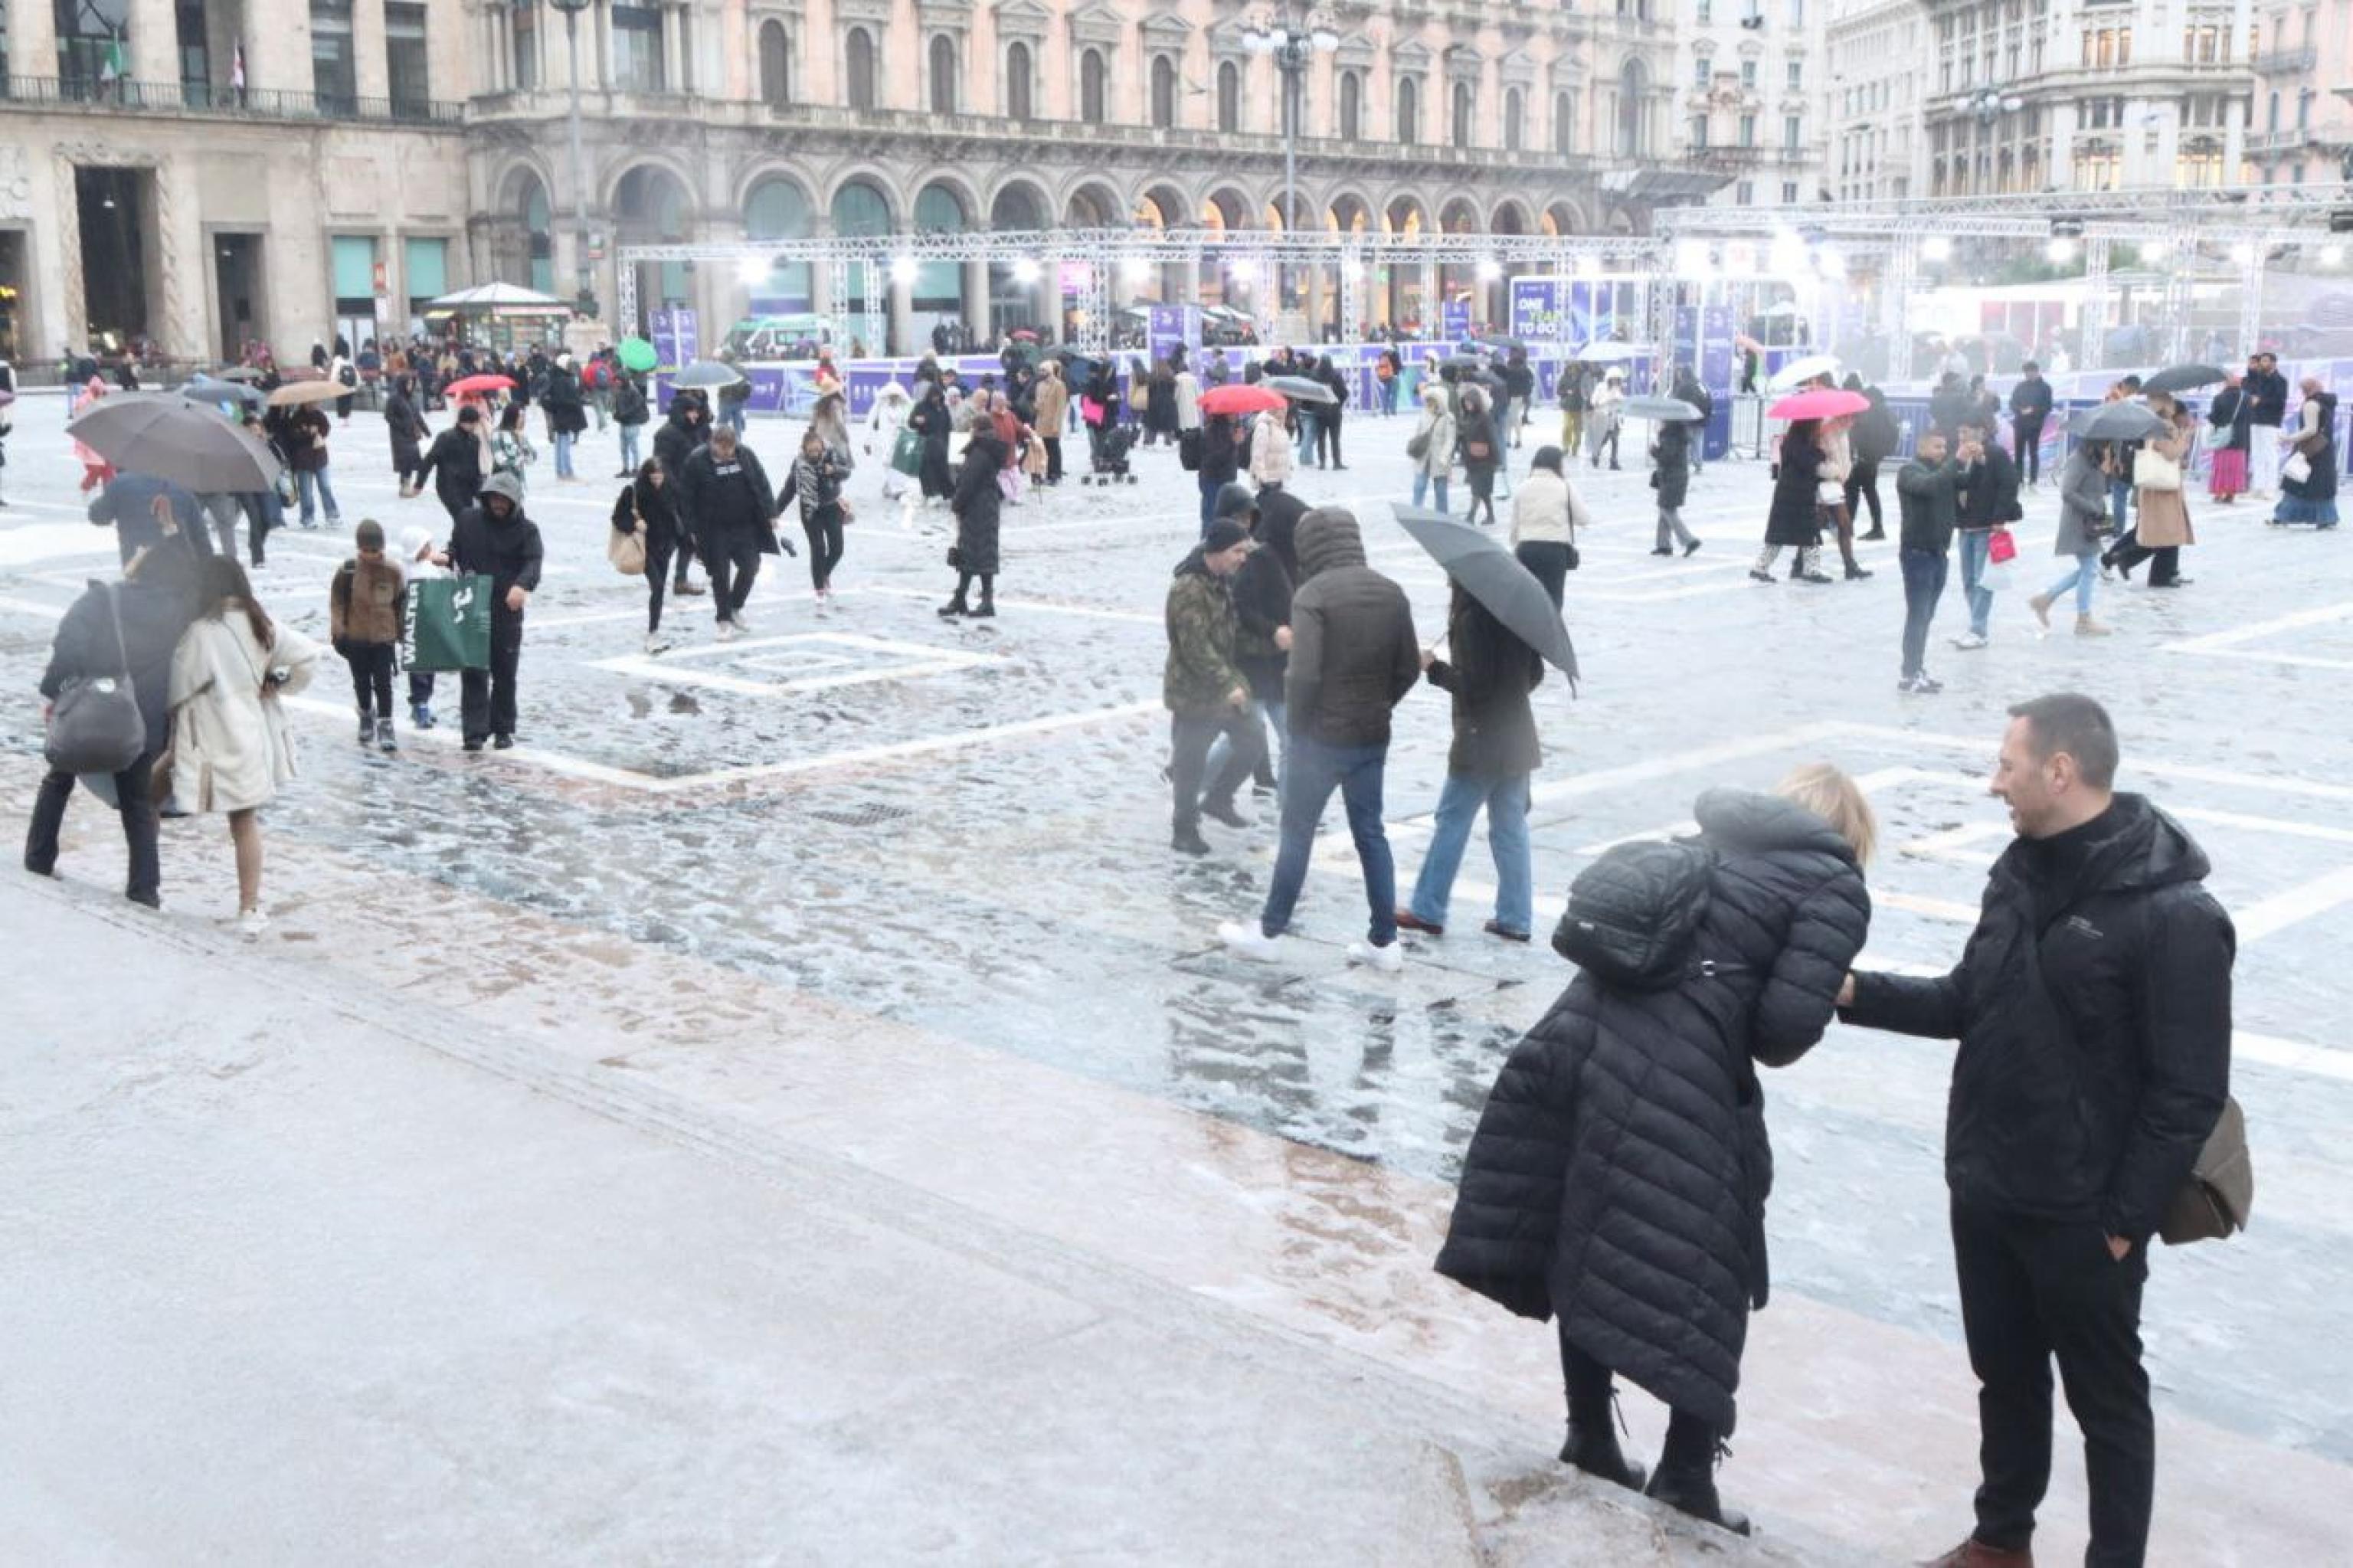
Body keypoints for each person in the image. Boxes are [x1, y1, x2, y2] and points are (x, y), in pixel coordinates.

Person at [1838, 694, 2233, 1568]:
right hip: (1987, 1182)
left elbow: (2190, 1091)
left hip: (2085, 1212)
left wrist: (2123, 1220)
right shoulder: (2015, 870)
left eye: (2007, 765)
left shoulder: (2176, 915)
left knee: (2108, 1404)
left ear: (2061, 770)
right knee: (2005, 1377)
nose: (1995, 784)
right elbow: (1965, 1000)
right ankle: (2000, 1538)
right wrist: (1851, 994)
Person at [1435, 766, 1875, 1534]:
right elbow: (1780, 1031)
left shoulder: (1711, 839)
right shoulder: (1832, 885)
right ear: (1847, 835)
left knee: (1586, 1221)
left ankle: (1592, 1434)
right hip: (1681, 1074)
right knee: (1709, 1260)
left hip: (1576, 1040)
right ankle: (1684, 1473)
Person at [1218, 507, 1420, 972]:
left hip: (1320, 738)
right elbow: (1408, 667)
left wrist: (1301, 728)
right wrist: (1380, 703)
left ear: (1310, 548)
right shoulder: (1391, 593)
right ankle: (1385, 941)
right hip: (1372, 736)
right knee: (1372, 833)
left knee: (1297, 833)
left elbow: (1303, 674)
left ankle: (1270, 931)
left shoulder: (1314, 595)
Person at [165, 555, 320, 933]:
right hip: (250, 733)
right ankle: (249, 908)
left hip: (208, 737)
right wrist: (279, 683)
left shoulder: (200, 631)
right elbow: (309, 655)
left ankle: (145, 881)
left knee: (151, 803)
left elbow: (178, 688)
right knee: (244, 821)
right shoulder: (261, 624)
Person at [24, 559, 188, 908]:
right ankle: (143, 890)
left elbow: (67, 646)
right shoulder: (176, 610)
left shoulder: (101, 600)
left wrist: (54, 691)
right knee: (138, 803)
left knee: (59, 778)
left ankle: (39, 857)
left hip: (89, 708)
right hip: (140, 718)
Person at [1393, 582, 1546, 943]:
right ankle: (1516, 917)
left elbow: (1473, 686)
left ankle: (1428, 908)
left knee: (1452, 820)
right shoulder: (1515, 613)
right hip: (1517, 735)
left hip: (1481, 741)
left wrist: (1433, 668)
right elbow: (1534, 675)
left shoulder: (1471, 619)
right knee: (1510, 828)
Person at [1163, 512, 1263, 855]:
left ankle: (1219, 799)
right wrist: (1226, 684)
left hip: (1222, 686)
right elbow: (1195, 646)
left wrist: (1272, 642)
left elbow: (1230, 634)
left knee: (1253, 741)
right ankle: (1184, 829)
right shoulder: (1188, 588)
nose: (1243, 558)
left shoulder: (1220, 582)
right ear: (1218, 550)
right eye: (1238, 551)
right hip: (1194, 692)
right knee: (1189, 767)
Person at [446, 471, 544, 751]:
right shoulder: (468, 521)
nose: (498, 504)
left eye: (505, 500)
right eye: (494, 498)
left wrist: (522, 585)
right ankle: (474, 731)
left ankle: (503, 727)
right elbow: (456, 550)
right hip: (473, 604)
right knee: (474, 669)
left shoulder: (527, 530)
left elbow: (533, 562)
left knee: (504, 670)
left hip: (506, 608)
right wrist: (446, 558)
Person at [1224, 484, 1301, 796]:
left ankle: (1289, 807)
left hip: (1278, 665)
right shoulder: (1255, 560)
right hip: (1254, 665)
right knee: (1243, 740)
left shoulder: (1280, 559)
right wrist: (1274, 632)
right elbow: (1240, 610)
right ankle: (1188, 778)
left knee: (1290, 740)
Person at [678, 424, 784, 640]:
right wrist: (691, 529)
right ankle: (723, 619)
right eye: (722, 448)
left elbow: (762, 483)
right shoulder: (696, 461)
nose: (727, 453)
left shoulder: (746, 456)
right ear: (712, 443)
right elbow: (686, 498)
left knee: (751, 566)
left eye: (731, 448)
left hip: (745, 525)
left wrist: (771, 513)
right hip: (714, 528)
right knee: (720, 575)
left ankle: (735, 606)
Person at [1894, 427, 1965, 692]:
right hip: (1917, 554)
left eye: (1944, 447)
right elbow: (1929, 487)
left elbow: (1965, 481)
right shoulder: (1910, 472)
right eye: (1937, 447)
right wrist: (1955, 462)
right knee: (1918, 615)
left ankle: (1918, 668)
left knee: (1926, 616)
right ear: (1922, 448)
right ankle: (1908, 674)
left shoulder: (1942, 472)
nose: (1942, 452)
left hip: (1938, 553)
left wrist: (1978, 461)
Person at [329, 519, 407, 752]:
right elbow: (338, 602)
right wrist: (339, 631)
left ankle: (385, 724)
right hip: (357, 636)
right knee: (361, 682)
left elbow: (401, 604)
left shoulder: (393, 571)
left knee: (384, 683)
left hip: (383, 637)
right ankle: (365, 714)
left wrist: (401, 634)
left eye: (375, 550)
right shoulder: (348, 570)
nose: (371, 555)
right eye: (366, 550)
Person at [2029, 440, 2116, 638]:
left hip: (2091, 524)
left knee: (2089, 569)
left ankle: (2046, 599)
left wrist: (2107, 467)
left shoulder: (2095, 461)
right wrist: (2092, 508)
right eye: (2106, 442)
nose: (2108, 446)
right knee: (2089, 569)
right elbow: (2067, 492)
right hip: (2079, 524)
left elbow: (2099, 490)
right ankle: (2083, 619)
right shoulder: (2078, 460)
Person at [2108, 394, 2194, 589]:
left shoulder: (2163, 425)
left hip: (2164, 488)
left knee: (2167, 534)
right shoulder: (2161, 426)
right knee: (2163, 534)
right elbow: (2171, 452)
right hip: (2160, 490)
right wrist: (2186, 437)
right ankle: (2127, 560)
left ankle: (2164, 572)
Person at [1951, 417, 2021, 651]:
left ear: (1981, 432)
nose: (1962, 438)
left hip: (1986, 526)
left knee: (1983, 581)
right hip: (1965, 526)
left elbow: (2009, 485)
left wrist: (1999, 518)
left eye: (1967, 432)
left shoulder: (1996, 454)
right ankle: (1976, 626)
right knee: (1969, 579)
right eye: (1960, 432)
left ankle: (1977, 630)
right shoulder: (1959, 457)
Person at [611, 458, 683, 653]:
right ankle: (652, 632)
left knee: (659, 590)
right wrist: (635, 525)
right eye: (653, 477)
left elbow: (681, 515)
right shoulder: (634, 492)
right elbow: (618, 517)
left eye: (660, 476)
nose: (657, 481)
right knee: (658, 587)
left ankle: (655, 630)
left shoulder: (673, 489)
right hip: (645, 547)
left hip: (666, 546)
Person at [943, 412, 1006, 618]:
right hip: (987, 506)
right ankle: (964, 598)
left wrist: (956, 504)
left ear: (977, 430)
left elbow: (968, 483)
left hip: (976, 508)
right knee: (978, 554)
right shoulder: (989, 448)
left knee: (973, 553)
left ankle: (980, 601)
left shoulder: (979, 452)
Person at [1752, 418, 1831, 584]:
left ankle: (1762, 567)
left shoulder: (1796, 442)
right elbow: (1808, 462)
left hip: (1794, 495)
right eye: (1816, 424)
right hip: (1794, 496)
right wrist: (1820, 453)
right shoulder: (1795, 444)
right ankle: (1762, 567)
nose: (1818, 428)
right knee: (1793, 534)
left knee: (1807, 534)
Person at [1512, 445, 1591, 606]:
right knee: (1553, 599)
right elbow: (1583, 518)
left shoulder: (1523, 486)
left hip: (1527, 547)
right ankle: (1551, 630)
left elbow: (1515, 524)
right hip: (1555, 550)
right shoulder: (1565, 487)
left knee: (1528, 598)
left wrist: (1516, 546)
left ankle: (1528, 629)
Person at [653, 392, 712, 595]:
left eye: (697, 411)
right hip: (672, 495)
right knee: (669, 541)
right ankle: (659, 578)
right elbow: (662, 464)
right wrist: (676, 488)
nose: (695, 416)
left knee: (688, 539)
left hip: (693, 494)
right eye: (691, 411)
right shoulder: (666, 434)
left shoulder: (695, 431)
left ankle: (680, 580)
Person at [790, 427, 851, 608]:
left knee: (837, 549)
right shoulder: (799, 464)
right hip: (810, 509)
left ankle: (824, 574)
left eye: (818, 450)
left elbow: (847, 472)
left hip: (832, 506)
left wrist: (834, 470)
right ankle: (819, 589)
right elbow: (789, 489)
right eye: (811, 451)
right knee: (817, 548)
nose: (815, 454)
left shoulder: (831, 455)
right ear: (804, 449)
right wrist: (774, 511)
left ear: (823, 448)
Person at [2272, 376, 2340, 529]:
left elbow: (2311, 429)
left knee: (2296, 482)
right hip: (2324, 450)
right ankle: (2326, 518)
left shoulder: (2311, 404)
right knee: (2322, 485)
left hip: (2310, 451)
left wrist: (2289, 438)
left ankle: (2283, 516)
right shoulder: (2327, 402)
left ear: (2306, 390)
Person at [397, 523, 447, 725]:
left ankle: (423, 701)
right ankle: (420, 703)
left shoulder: (424, 568)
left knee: (428, 666)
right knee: (419, 667)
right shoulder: (406, 570)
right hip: (415, 626)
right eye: (427, 545)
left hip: (428, 625)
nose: (430, 549)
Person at [415, 405, 489, 527]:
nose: (476, 426)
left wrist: (478, 489)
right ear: (465, 422)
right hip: (449, 487)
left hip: (467, 487)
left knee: (467, 519)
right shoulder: (446, 437)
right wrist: (419, 483)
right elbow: (430, 460)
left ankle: (462, 542)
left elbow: (475, 467)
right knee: (462, 518)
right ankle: (460, 543)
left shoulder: (474, 440)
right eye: (474, 423)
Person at [1646, 419, 1701, 560]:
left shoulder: (1671, 435)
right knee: (1665, 509)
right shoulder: (1674, 433)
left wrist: (1654, 450)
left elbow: (1667, 457)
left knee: (1666, 509)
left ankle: (1689, 540)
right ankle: (1663, 545)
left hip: (1672, 478)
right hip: (1673, 477)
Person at [1848, 378, 1896, 539]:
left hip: (1862, 457)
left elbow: (1859, 433)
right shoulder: (1886, 412)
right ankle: (1877, 526)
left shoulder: (1868, 411)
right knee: (1870, 492)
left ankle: (1849, 526)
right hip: (1874, 458)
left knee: (1852, 491)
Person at [284, 401, 340, 529]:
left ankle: (332, 514)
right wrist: (308, 433)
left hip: (320, 457)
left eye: (315, 403)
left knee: (325, 487)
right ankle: (307, 517)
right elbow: (293, 437)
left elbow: (326, 429)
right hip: (303, 460)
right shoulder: (296, 418)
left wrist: (319, 430)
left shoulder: (320, 415)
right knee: (306, 491)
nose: (313, 405)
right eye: (310, 403)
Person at [1456, 385, 1504, 528]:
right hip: (1471, 459)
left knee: (1477, 489)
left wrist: (1497, 460)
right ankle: (1491, 515)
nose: (1467, 405)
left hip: (1485, 459)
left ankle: (1471, 516)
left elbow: (1492, 438)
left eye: (1470, 402)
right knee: (1483, 490)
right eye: (1466, 403)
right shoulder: (1466, 416)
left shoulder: (1485, 417)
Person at [2242, 351, 2288, 497]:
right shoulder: (2258, 379)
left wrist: (2260, 401)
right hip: (2255, 419)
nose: (2262, 364)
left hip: (2271, 421)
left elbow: (2279, 402)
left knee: (2270, 454)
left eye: (2266, 361)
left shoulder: (2280, 380)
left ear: (2273, 363)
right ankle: (2258, 486)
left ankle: (2270, 487)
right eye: (2261, 361)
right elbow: (2249, 393)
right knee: (2257, 454)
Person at [2203, 372, 2249, 503]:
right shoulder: (2246, 398)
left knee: (2221, 465)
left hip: (2223, 437)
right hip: (2240, 437)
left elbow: (2214, 418)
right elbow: (2249, 417)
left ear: (2226, 383)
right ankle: (2231, 493)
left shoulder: (2219, 398)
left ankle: (2218, 492)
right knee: (2236, 467)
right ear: (2239, 383)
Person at [908, 381, 957, 506]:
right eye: (933, 396)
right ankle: (929, 494)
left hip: (941, 444)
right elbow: (910, 423)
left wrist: (948, 442)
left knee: (942, 471)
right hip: (925, 443)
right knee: (926, 471)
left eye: (938, 396)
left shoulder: (943, 408)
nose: (935, 399)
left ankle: (946, 493)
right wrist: (916, 421)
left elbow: (948, 426)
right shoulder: (921, 407)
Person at [539, 355, 587, 480]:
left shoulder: (558, 377)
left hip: (561, 415)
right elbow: (563, 399)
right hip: (564, 415)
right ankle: (566, 471)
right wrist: (574, 402)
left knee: (561, 443)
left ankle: (561, 471)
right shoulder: (562, 379)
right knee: (564, 444)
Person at [1195, 411, 1241, 536]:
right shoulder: (1211, 431)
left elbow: (1234, 458)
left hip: (1227, 479)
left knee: (1225, 517)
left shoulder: (1231, 429)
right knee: (1210, 518)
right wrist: (1233, 444)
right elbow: (1213, 459)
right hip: (1212, 480)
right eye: (1232, 412)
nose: (1236, 414)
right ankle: (1206, 546)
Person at [2008, 360, 2053, 486]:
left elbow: (2048, 407)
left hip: (2035, 425)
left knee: (2033, 452)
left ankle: (2033, 480)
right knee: (2019, 452)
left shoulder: (2045, 388)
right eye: (2026, 373)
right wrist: (2020, 410)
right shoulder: (2020, 386)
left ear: (2036, 372)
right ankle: (2019, 479)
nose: (2028, 375)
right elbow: (2012, 403)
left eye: (2030, 373)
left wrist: (2033, 410)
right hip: (2020, 424)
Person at [385, 376, 430, 498]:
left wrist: (426, 430)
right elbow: (388, 417)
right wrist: (402, 426)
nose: (410, 386)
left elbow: (417, 416)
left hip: (412, 435)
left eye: (412, 384)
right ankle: (405, 487)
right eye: (408, 384)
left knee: (411, 460)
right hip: (399, 436)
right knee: (405, 460)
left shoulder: (412, 399)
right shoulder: (394, 399)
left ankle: (406, 485)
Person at [1031, 362, 1069, 485]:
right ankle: (1044, 473)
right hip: (1041, 422)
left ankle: (1055, 474)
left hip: (1052, 422)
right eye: (1040, 370)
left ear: (1050, 371)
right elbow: (1036, 401)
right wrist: (1037, 405)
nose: (1040, 373)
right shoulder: (1039, 385)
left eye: (1043, 370)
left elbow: (1060, 407)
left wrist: (1057, 425)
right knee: (1042, 450)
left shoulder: (1059, 385)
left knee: (1054, 450)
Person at [491, 401, 538, 493]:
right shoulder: (498, 434)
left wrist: (523, 443)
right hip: (502, 482)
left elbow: (531, 459)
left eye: (524, 416)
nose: (523, 420)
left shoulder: (520, 436)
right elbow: (500, 460)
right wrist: (519, 460)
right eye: (520, 416)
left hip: (519, 482)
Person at [612, 371, 651, 476]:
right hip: (623, 422)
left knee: (633, 447)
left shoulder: (634, 391)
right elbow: (618, 406)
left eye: (618, 380)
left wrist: (624, 414)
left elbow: (636, 406)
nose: (617, 382)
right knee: (623, 448)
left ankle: (636, 469)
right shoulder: (619, 391)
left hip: (632, 423)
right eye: (616, 380)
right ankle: (625, 468)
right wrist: (616, 414)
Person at [1586, 370, 1625, 470]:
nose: (1615, 381)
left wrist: (1619, 400)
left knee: (1615, 441)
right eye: (1613, 379)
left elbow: (1622, 403)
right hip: (1602, 417)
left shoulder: (1618, 389)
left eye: (1618, 379)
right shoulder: (1601, 387)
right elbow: (1594, 402)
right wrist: (1608, 399)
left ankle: (1613, 462)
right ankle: (1595, 455)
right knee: (1603, 440)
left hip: (1614, 418)